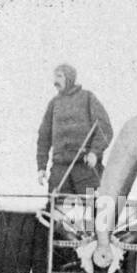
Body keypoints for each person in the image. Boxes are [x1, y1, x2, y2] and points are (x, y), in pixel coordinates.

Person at [35, 64, 113, 195]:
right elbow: (44, 137)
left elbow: (105, 129)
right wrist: (41, 167)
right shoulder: (54, 104)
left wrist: (95, 152)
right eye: (54, 77)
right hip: (60, 171)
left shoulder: (88, 98)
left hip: (85, 170)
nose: (55, 81)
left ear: (69, 78)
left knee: (90, 209)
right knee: (58, 209)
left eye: (59, 76)